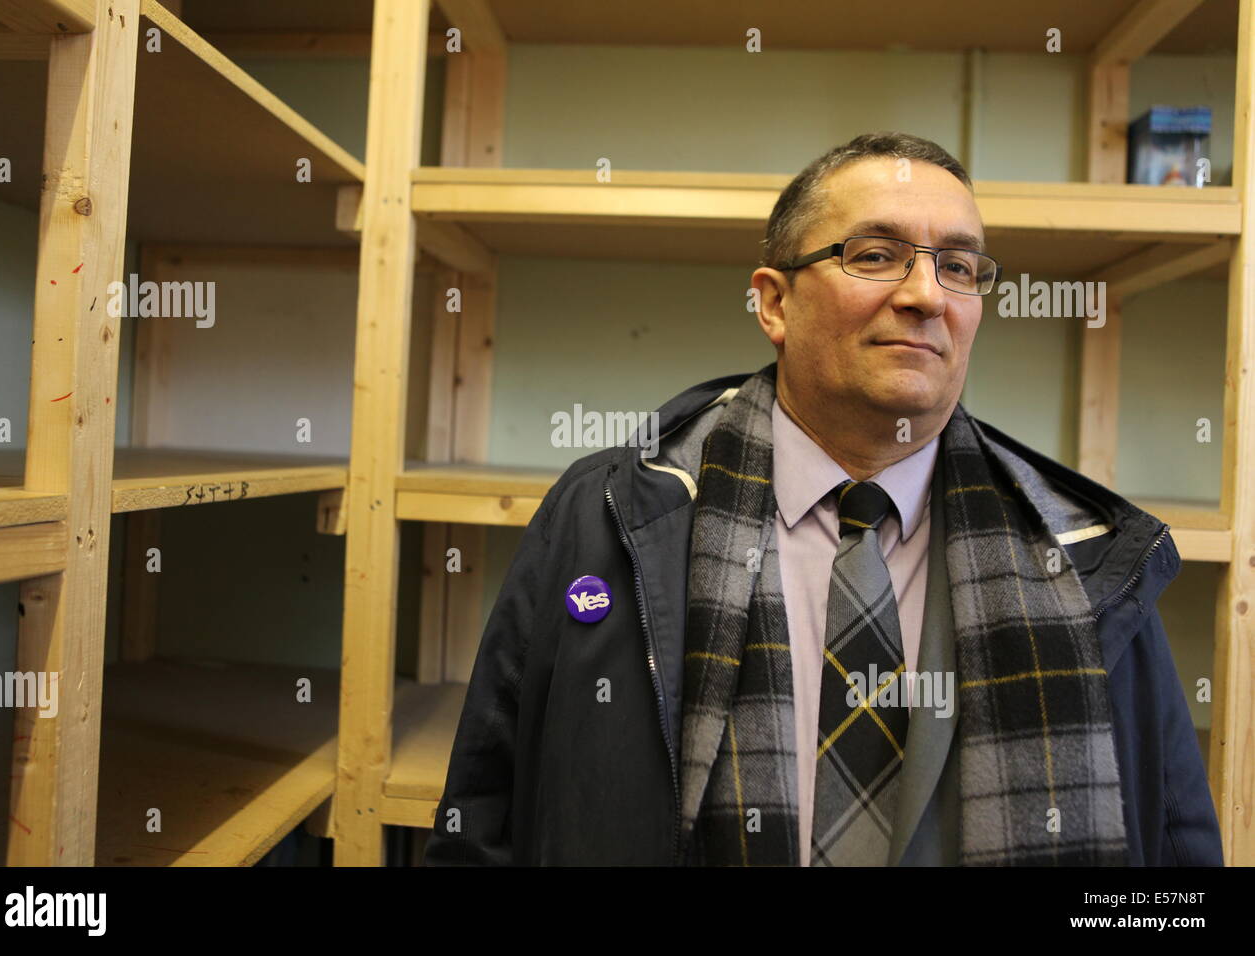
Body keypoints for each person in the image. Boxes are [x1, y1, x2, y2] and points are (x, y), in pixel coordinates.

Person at [422, 131, 1224, 866]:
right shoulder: (604, 515)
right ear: (774, 303)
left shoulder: (1084, 553)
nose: (926, 296)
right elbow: (482, 820)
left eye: (960, 266)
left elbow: (1175, 855)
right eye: (876, 255)